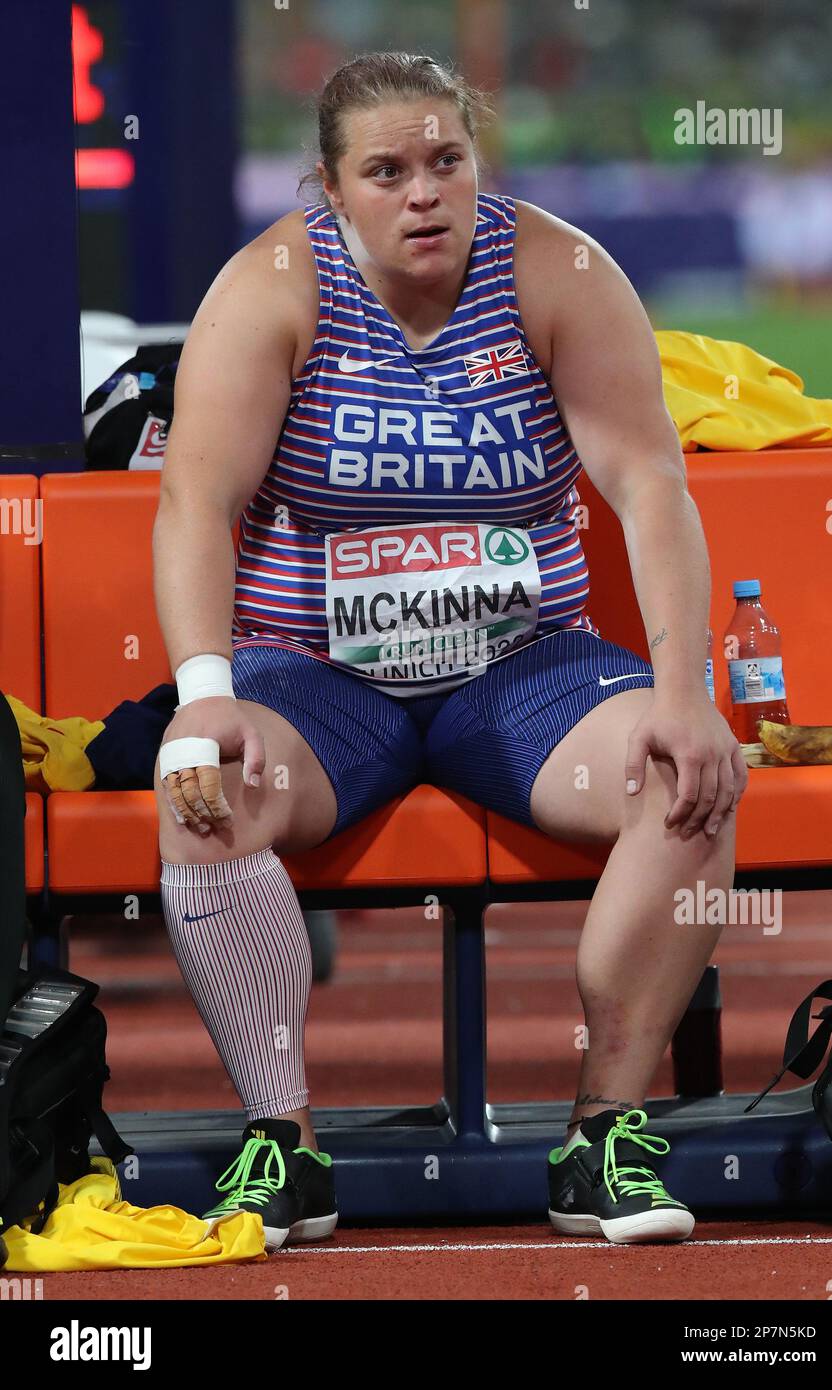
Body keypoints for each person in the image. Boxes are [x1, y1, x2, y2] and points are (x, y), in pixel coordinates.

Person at [153, 52, 747, 1250]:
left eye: (445, 162)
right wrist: (203, 694)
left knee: (686, 774)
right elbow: (192, 504)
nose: (422, 193)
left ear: (477, 163)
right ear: (328, 190)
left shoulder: (558, 271)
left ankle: (602, 1136)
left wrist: (685, 694)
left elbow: (648, 484)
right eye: (386, 171)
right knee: (197, 797)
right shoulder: (268, 287)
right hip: (315, 680)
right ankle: (283, 1144)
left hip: (522, 673)